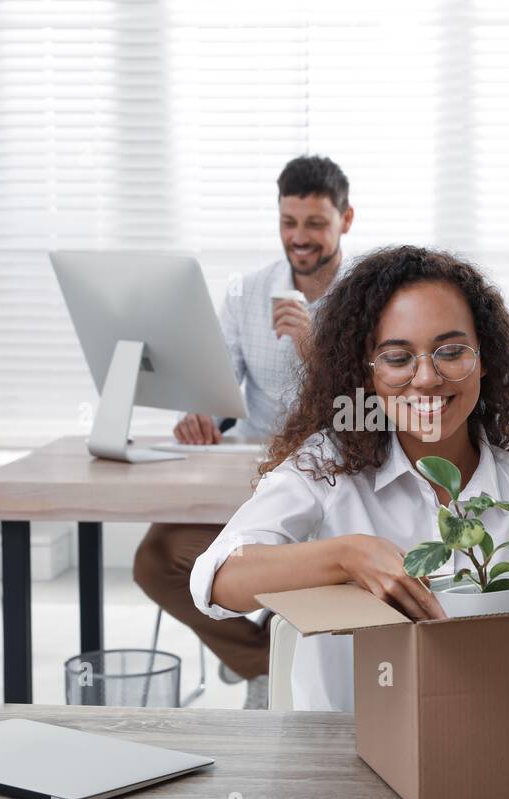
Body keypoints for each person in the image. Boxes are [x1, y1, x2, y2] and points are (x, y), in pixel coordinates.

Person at [189, 246, 509, 712]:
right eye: (398, 358)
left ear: (486, 358)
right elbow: (216, 582)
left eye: (451, 352)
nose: (427, 378)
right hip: (344, 758)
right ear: (366, 373)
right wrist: (346, 556)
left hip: (493, 747)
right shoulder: (326, 470)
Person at [133, 155, 354, 708]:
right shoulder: (247, 294)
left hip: (335, 476)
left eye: (315, 224)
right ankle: (264, 661)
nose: (299, 238)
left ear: (345, 220)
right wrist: (204, 415)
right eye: (289, 222)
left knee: (308, 565)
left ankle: (280, 672)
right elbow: (221, 385)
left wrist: (313, 351)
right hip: (250, 473)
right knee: (158, 559)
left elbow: (372, 406)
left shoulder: (368, 297)